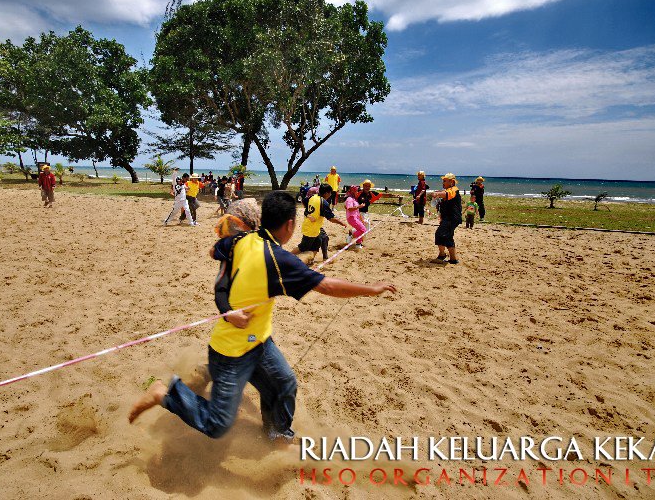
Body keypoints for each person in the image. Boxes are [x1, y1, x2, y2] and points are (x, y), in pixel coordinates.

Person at [128, 191, 397, 442]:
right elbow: (326, 286)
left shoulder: (242, 240)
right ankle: (165, 394)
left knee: (283, 384)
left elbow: (214, 251)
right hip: (231, 350)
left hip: (259, 341)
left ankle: (277, 434)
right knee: (217, 424)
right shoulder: (277, 259)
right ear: (290, 225)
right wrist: (371, 289)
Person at [291, 184, 347, 265]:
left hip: (313, 227)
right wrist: (341, 223)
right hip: (311, 229)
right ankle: (286, 257)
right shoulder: (323, 203)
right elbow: (331, 218)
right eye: (330, 193)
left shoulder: (312, 197)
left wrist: (308, 214)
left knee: (320, 241)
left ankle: (311, 259)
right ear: (326, 193)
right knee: (303, 247)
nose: (330, 195)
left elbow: (305, 204)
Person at [428, 173, 463, 264]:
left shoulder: (454, 190)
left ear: (451, 182)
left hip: (452, 218)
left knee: (440, 234)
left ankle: (442, 255)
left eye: (444, 181)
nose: (443, 183)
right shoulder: (448, 190)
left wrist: (436, 193)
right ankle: (453, 259)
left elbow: (446, 194)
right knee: (448, 236)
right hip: (450, 218)